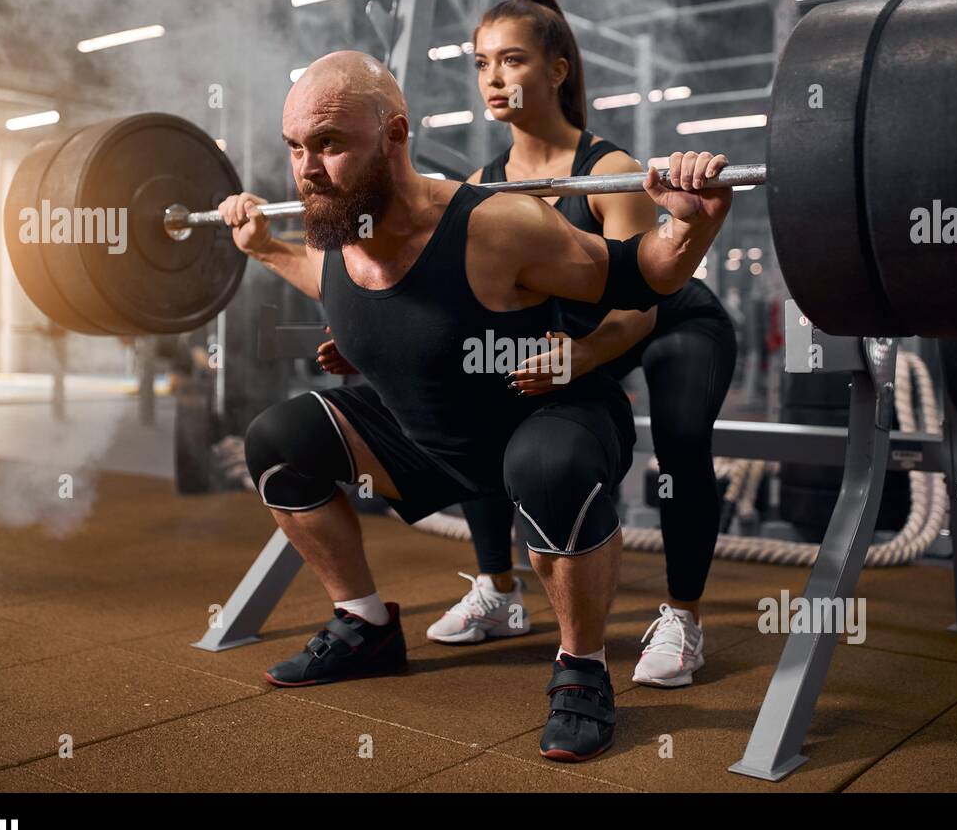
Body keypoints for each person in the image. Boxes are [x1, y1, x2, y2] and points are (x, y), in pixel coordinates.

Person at [218, 50, 731, 761]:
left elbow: (638, 274)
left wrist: (693, 223)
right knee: (277, 438)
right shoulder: (332, 219)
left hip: (545, 421)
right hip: (433, 446)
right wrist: (264, 246)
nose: (306, 168)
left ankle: (582, 668)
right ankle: (364, 624)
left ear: (395, 135)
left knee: (550, 466)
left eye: (330, 144)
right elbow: (331, 282)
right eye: (296, 147)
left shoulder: (495, 224)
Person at [320, 0, 737, 688]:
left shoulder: (609, 172)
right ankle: (500, 593)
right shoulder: (481, 187)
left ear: (558, 70)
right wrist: (373, 341)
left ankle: (683, 616)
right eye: (482, 63)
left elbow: (639, 296)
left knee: (682, 439)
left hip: (667, 320)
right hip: (573, 335)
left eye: (512, 60)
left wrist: (581, 357)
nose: (493, 78)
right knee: (479, 394)